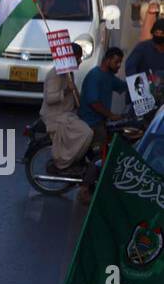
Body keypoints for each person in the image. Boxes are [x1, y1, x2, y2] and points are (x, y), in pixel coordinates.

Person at [77, 47, 129, 200]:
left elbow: (124, 86)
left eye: (120, 62)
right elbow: (94, 103)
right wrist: (111, 115)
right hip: (91, 121)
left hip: (100, 120)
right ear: (107, 60)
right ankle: (84, 189)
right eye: (116, 62)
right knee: (101, 155)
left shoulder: (109, 77)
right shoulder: (95, 76)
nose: (119, 65)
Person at [38, 42, 93, 183]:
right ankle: (63, 164)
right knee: (86, 133)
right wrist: (67, 90)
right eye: (78, 58)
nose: (80, 61)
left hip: (67, 114)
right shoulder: (56, 74)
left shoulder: (68, 73)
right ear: (70, 58)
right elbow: (50, 98)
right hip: (55, 116)